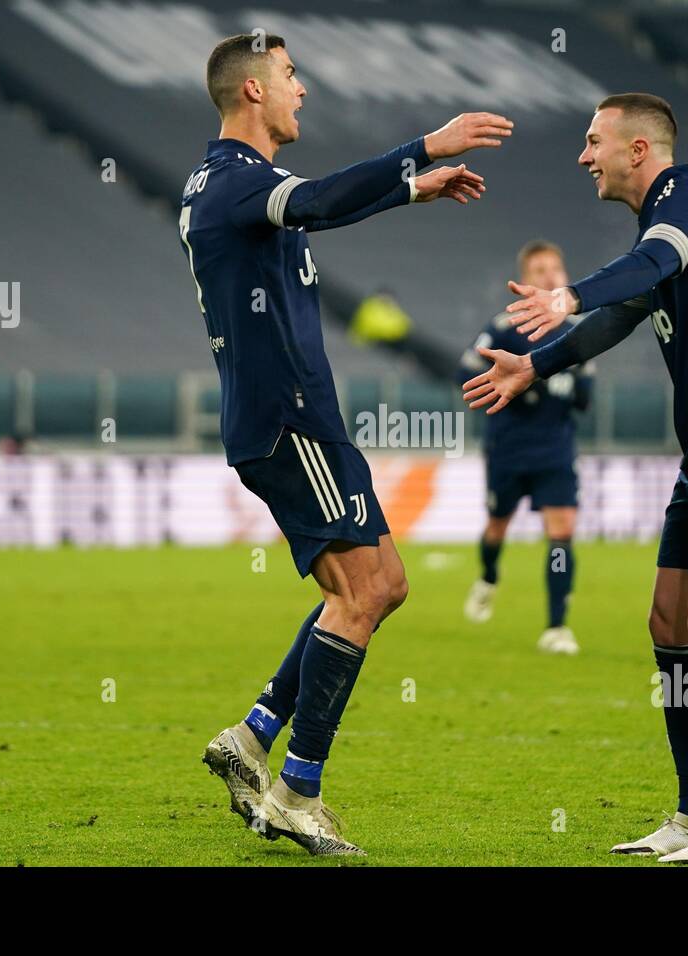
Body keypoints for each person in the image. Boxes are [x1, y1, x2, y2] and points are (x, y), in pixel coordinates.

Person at [463, 93, 688, 863]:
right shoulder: (665, 221)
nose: (584, 156)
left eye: (594, 142)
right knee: (668, 623)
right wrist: (535, 363)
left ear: (639, 150)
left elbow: (648, 265)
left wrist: (567, 293)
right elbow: (626, 310)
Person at [182, 32, 511, 855]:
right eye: (291, 77)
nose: (304, 89)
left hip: (292, 420)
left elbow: (317, 207)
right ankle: (298, 790)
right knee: (363, 594)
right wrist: (424, 149)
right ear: (252, 91)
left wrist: (411, 190)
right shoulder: (235, 182)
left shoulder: (225, 185)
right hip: (289, 421)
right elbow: (321, 201)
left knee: (383, 583)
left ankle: (255, 735)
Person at [459, 240, 593, 654]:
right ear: (524, 281)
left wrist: (560, 383)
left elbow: (584, 397)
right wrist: (521, 388)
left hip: (555, 448)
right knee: (497, 524)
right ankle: (489, 576)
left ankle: (556, 626)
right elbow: (466, 372)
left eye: (556, 268)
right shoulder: (503, 328)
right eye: (540, 270)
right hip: (509, 447)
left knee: (562, 531)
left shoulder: (580, 334)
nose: (550, 276)